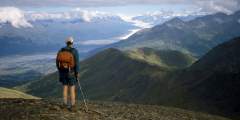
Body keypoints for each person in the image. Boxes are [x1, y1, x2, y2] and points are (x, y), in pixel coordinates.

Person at [56, 37, 80, 112]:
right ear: (72, 43)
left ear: (66, 43)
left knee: (65, 87)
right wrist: (77, 73)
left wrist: (60, 70)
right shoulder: (74, 51)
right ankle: (72, 105)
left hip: (63, 72)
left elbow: (57, 62)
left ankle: (64, 104)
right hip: (71, 72)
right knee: (72, 89)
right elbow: (77, 64)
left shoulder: (61, 50)